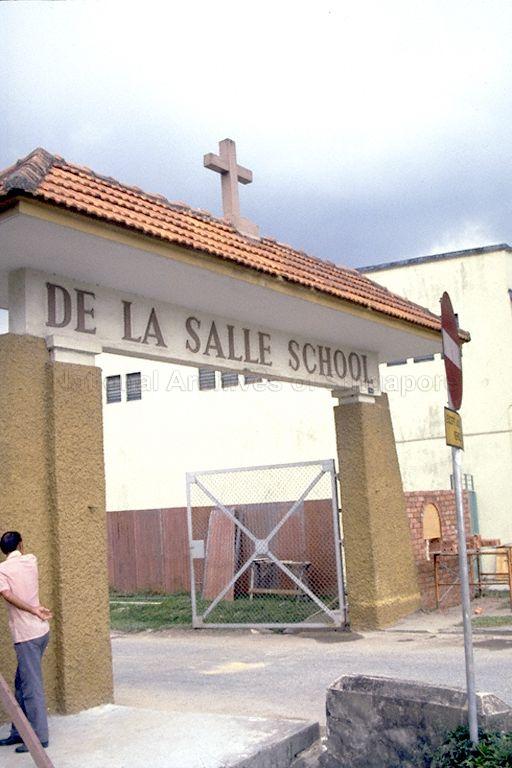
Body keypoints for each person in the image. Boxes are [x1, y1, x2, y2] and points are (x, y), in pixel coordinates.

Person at [0, 531, 52, 753]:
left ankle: (39, 738)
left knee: (31, 688)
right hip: (41, 632)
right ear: (21, 545)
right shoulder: (31, 560)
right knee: (21, 684)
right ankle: (18, 731)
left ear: (3, 551)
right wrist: (34, 609)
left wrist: (30, 609)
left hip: (26, 637)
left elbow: (7, 595)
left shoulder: (2, 570)